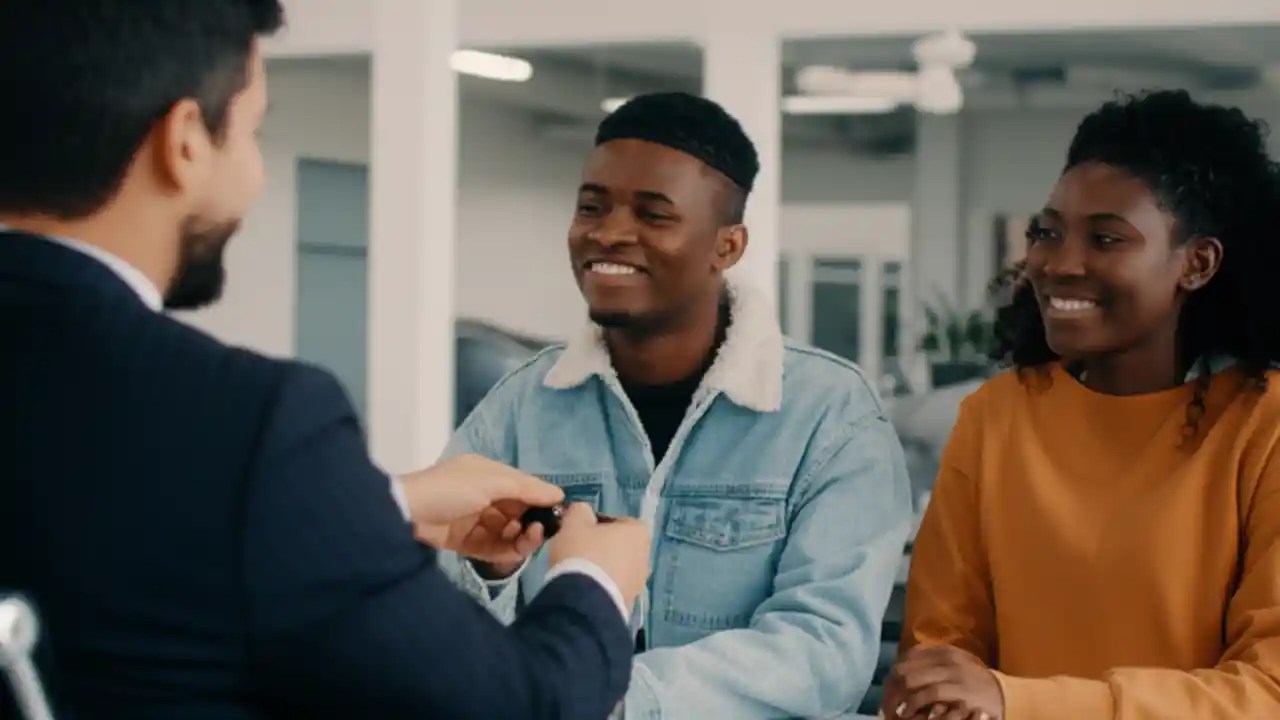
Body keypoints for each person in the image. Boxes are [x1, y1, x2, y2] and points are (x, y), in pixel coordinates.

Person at [0, 2, 653, 719]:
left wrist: (370, 507)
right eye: (252, 134)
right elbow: (520, 704)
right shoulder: (252, 423)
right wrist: (594, 583)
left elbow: (104, 525)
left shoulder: (220, 454)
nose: (255, 176)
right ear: (183, 143)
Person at [438, 91, 913, 719]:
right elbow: (431, 621)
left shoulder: (829, 416)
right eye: (591, 207)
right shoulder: (520, 406)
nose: (608, 233)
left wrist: (612, 697)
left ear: (727, 246)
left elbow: (825, 651)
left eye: (653, 214)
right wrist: (490, 576)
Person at [882, 89, 1280, 720]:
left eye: (1106, 239)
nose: (1059, 264)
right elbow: (939, 652)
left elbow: (1268, 692)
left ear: (1197, 263)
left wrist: (1018, 700)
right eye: (1047, 233)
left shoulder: (1264, 426)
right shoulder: (998, 416)